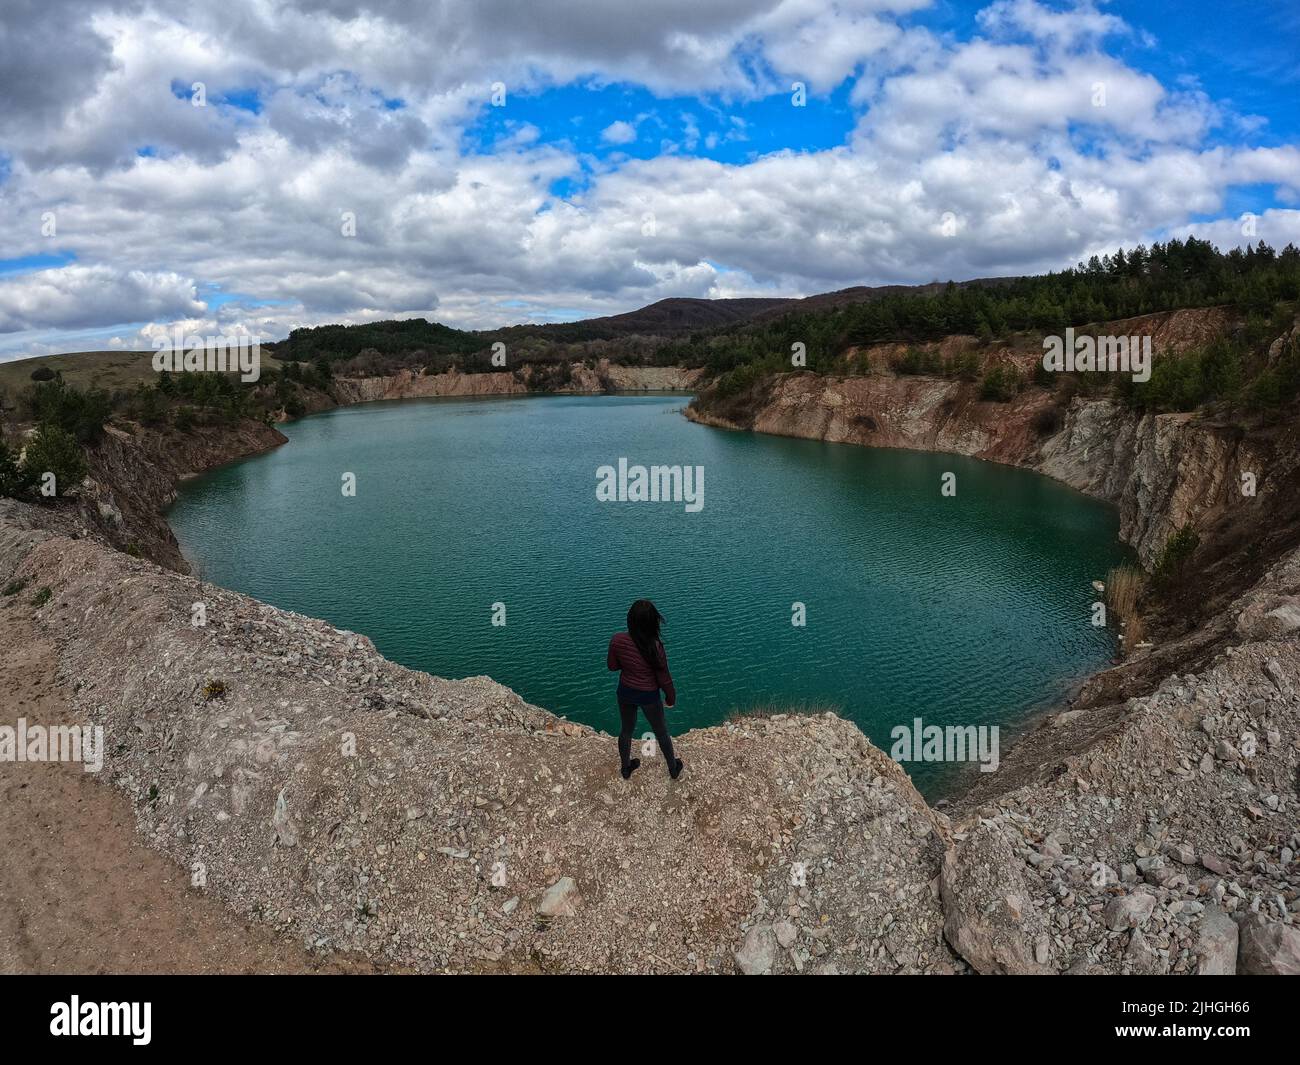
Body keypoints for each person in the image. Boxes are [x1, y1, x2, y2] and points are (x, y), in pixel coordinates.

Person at [606, 599, 683, 780]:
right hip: (649, 695)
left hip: (625, 691)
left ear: (630, 620)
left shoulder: (617, 640)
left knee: (626, 730)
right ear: (653, 622)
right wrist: (671, 698)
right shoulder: (655, 646)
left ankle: (626, 768)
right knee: (661, 731)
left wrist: (627, 662)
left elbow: (612, 666)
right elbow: (664, 677)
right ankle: (673, 768)